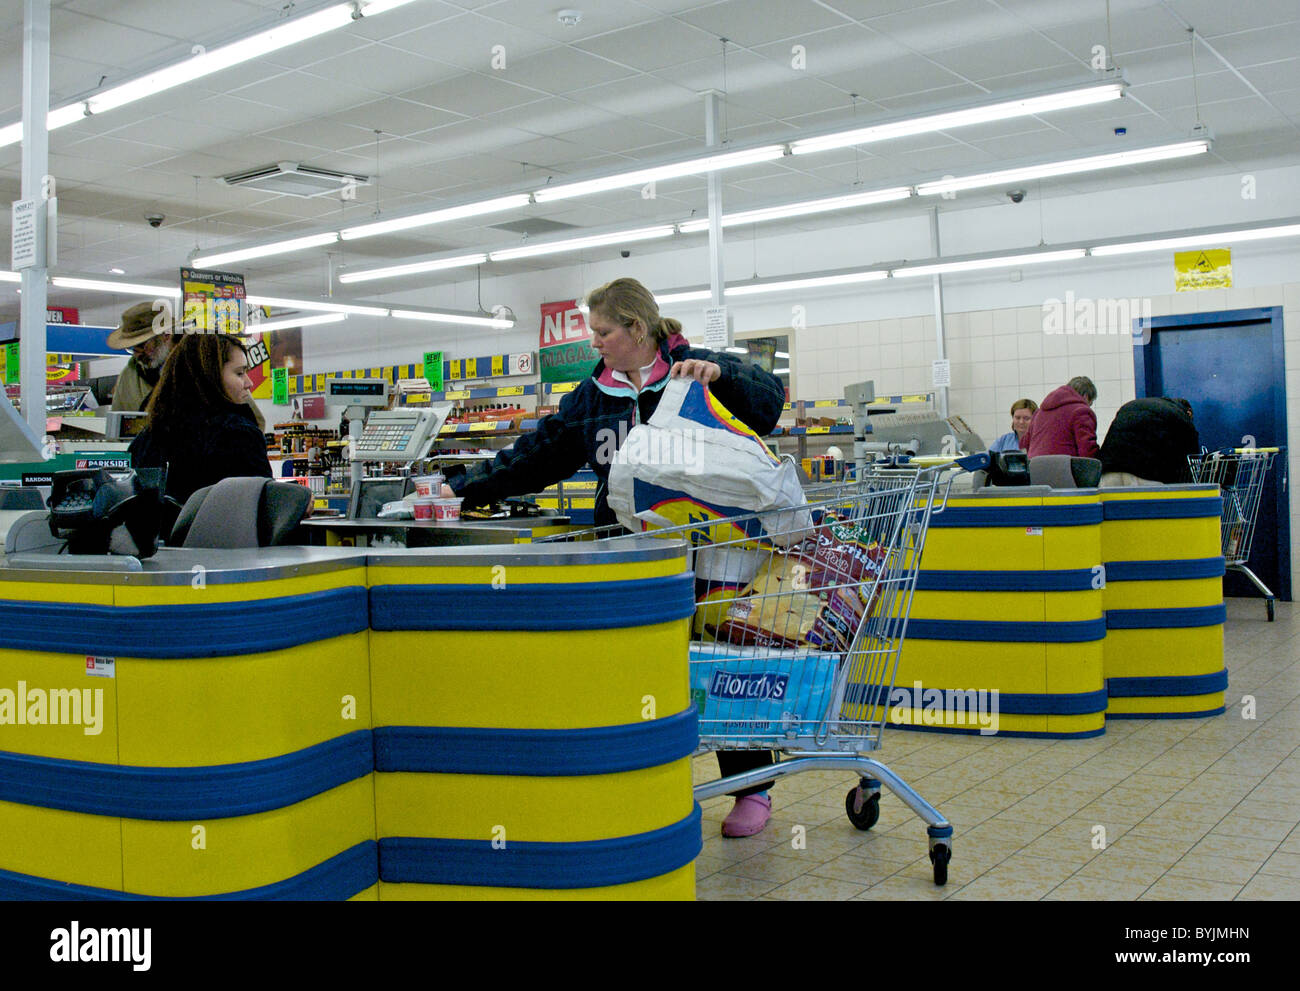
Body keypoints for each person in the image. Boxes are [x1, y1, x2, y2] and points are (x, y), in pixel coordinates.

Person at [443, 277, 787, 839]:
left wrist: (722, 374)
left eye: (603, 331)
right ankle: (644, 775)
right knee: (637, 666)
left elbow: (769, 401)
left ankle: (750, 788)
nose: (595, 342)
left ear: (636, 327)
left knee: (714, 664)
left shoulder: (694, 367)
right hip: (627, 554)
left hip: (711, 551)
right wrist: (463, 489)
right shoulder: (591, 397)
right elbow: (534, 456)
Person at [129, 334, 272, 508]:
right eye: (239, 373)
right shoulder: (239, 434)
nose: (248, 383)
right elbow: (260, 507)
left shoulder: (146, 439)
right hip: (218, 535)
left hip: (164, 534)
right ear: (211, 375)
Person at [1099, 397, 1198, 486]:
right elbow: (1192, 452)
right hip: (1144, 475)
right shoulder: (1180, 415)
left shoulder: (1134, 405)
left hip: (1108, 471)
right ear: (1189, 412)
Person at [108, 301, 176, 413]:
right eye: (132, 347)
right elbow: (118, 420)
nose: (137, 354)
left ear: (166, 335)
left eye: (141, 345)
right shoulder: (129, 375)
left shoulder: (192, 368)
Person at [1022, 375, 1100, 459]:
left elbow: (1024, 444)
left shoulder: (1038, 413)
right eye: (1090, 403)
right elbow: (1087, 451)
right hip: (1063, 468)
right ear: (1086, 397)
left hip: (1034, 467)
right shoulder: (1081, 411)